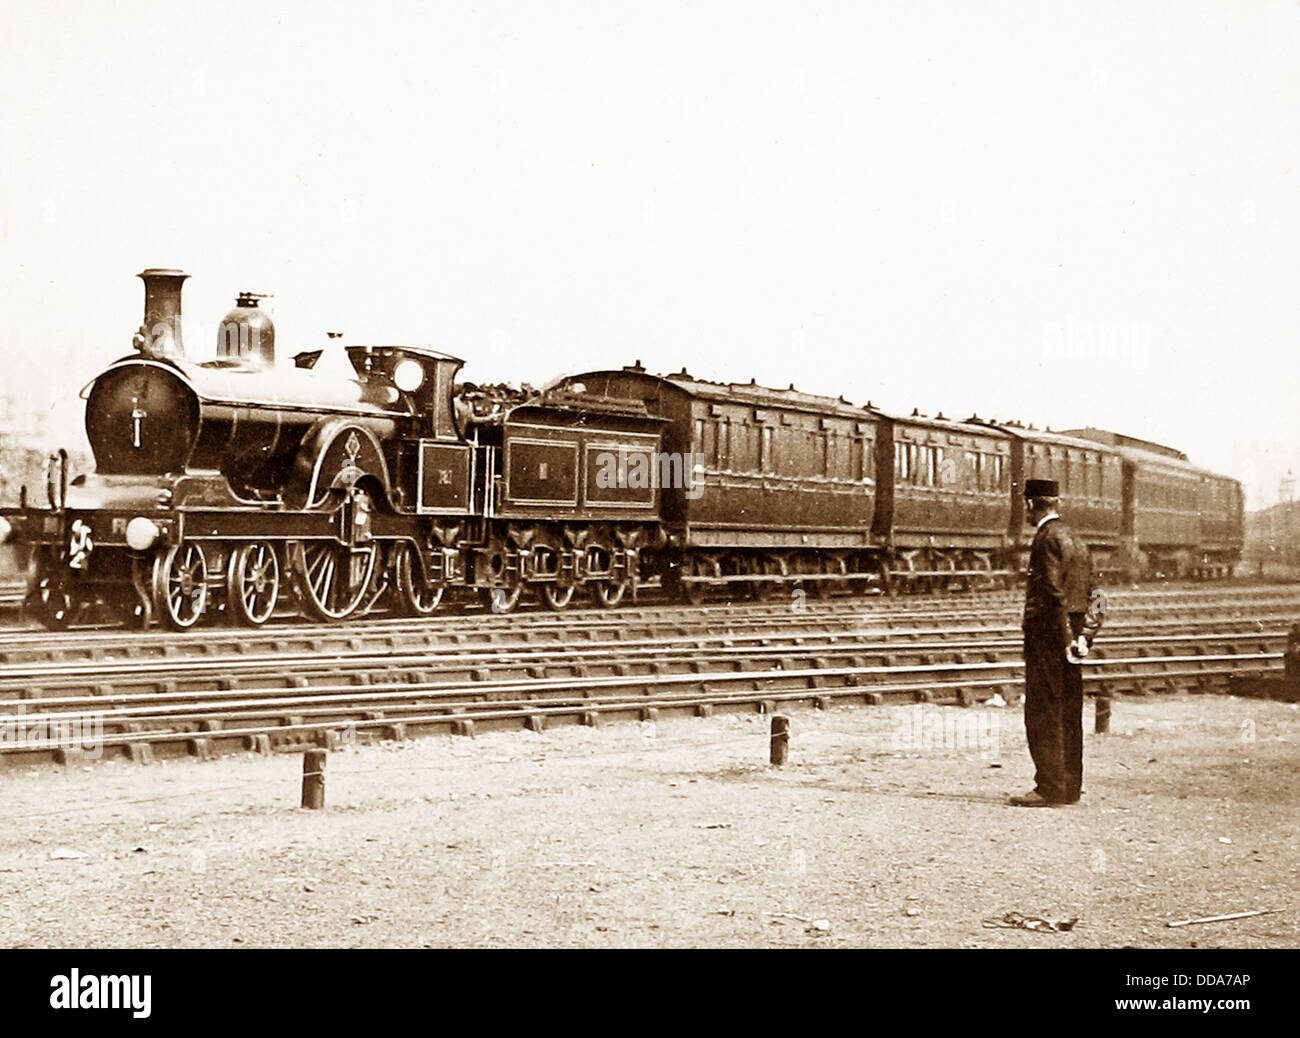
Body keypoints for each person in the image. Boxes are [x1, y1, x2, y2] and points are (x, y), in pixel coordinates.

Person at [1011, 478, 1097, 807]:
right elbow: (1098, 594)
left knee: (1043, 711)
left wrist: (1063, 639)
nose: (1027, 513)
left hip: (1049, 635)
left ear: (1033, 504)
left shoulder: (1045, 538)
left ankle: (1048, 787)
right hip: (1073, 634)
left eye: (1027, 506)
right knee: (1069, 711)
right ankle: (1070, 787)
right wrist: (1085, 637)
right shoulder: (1077, 539)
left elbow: (1051, 592)